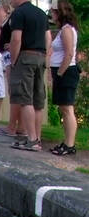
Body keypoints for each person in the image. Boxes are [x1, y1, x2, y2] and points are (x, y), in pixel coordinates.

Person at [6, 0, 51, 150]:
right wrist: (45, 57)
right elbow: (48, 39)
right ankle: (37, 138)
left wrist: (13, 61)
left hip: (25, 57)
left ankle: (31, 140)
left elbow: (16, 39)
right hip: (40, 57)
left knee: (25, 99)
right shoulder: (41, 14)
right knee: (38, 101)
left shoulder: (19, 13)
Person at [48, 1, 80, 154]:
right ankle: (67, 142)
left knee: (67, 109)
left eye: (53, 12)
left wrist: (60, 72)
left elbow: (68, 54)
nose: (51, 15)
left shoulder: (67, 30)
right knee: (63, 108)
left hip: (66, 72)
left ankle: (69, 144)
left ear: (59, 13)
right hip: (62, 72)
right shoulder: (63, 30)